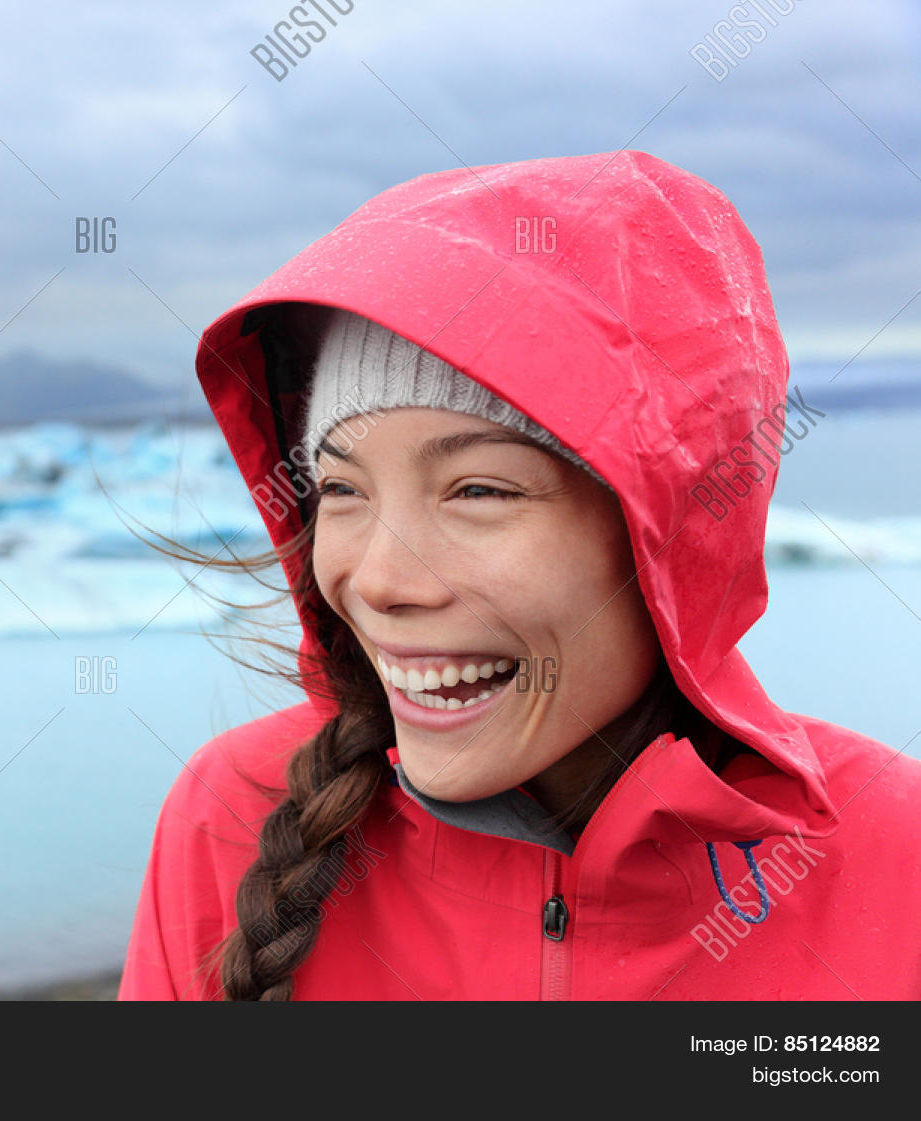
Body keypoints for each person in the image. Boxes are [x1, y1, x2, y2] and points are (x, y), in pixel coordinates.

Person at [117, 149, 921, 1000]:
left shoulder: (894, 857)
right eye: (343, 489)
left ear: (670, 530)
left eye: (479, 490)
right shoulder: (232, 816)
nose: (381, 579)